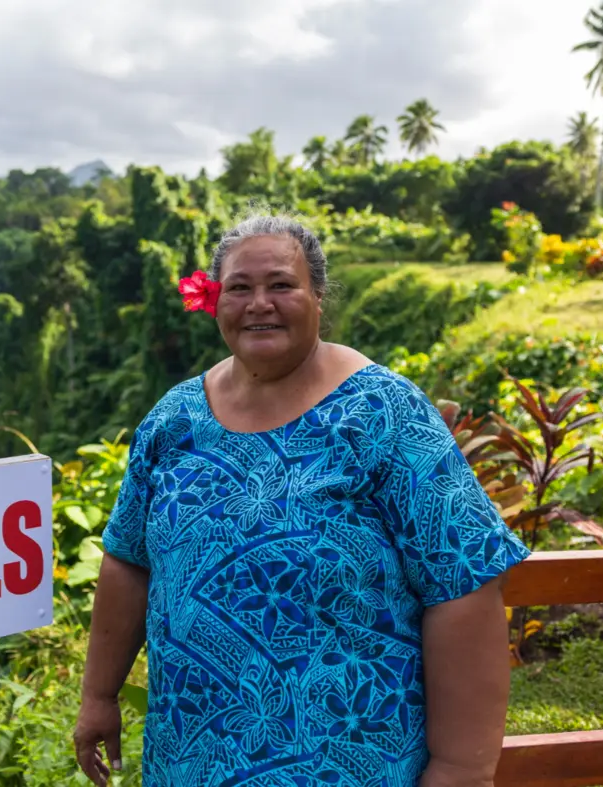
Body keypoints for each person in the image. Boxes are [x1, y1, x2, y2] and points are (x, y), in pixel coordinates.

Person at [72, 213, 531, 786]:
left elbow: (463, 585)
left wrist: (464, 769)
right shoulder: (174, 419)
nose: (259, 303)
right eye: (239, 287)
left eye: (281, 285)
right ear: (215, 300)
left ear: (317, 296)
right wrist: (99, 695)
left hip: (350, 763)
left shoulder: (383, 414)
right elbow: (128, 558)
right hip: (190, 760)